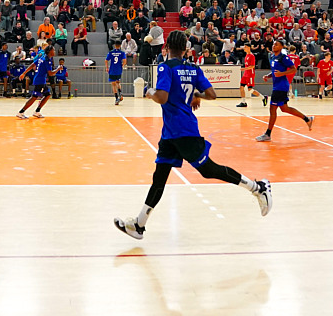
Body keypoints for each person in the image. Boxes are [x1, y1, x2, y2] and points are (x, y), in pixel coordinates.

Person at [113, 30, 272, 240]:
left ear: (166, 47)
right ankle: (139, 225)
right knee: (159, 177)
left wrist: (150, 91)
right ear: (186, 49)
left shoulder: (165, 67)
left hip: (182, 131)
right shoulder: (192, 68)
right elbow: (212, 94)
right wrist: (195, 94)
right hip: (171, 133)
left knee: (207, 170)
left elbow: (161, 97)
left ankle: (257, 187)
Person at [255, 39, 314, 142]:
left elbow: (293, 69)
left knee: (272, 108)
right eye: (273, 44)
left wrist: (281, 74)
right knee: (284, 108)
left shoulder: (284, 57)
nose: (274, 46)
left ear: (281, 47)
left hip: (281, 86)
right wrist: (268, 76)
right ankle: (307, 119)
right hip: (277, 85)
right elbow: (275, 71)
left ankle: (268, 134)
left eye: (276, 44)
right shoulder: (273, 57)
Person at [17, 44, 56, 119]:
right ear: (50, 51)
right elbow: (50, 73)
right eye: (53, 50)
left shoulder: (43, 57)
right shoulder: (47, 60)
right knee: (34, 97)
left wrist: (24, 73)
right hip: (40, 81)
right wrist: (58, 69)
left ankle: (37, 111)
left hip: (40, 80)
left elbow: (33, 64)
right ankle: (21, 112)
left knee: (47, 94)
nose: (54, 51)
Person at [106, 40, 127, 105]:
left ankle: (116, 98)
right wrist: (122, 65)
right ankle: (120, 93)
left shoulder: (111, 52)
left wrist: (107, 68)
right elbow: (124, 60)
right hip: (118, 70)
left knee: (113, 84)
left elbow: (106, 60)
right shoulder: (122, 53)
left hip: (112, 70)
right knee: (118, 82)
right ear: (120, 45)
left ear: (115, 45)